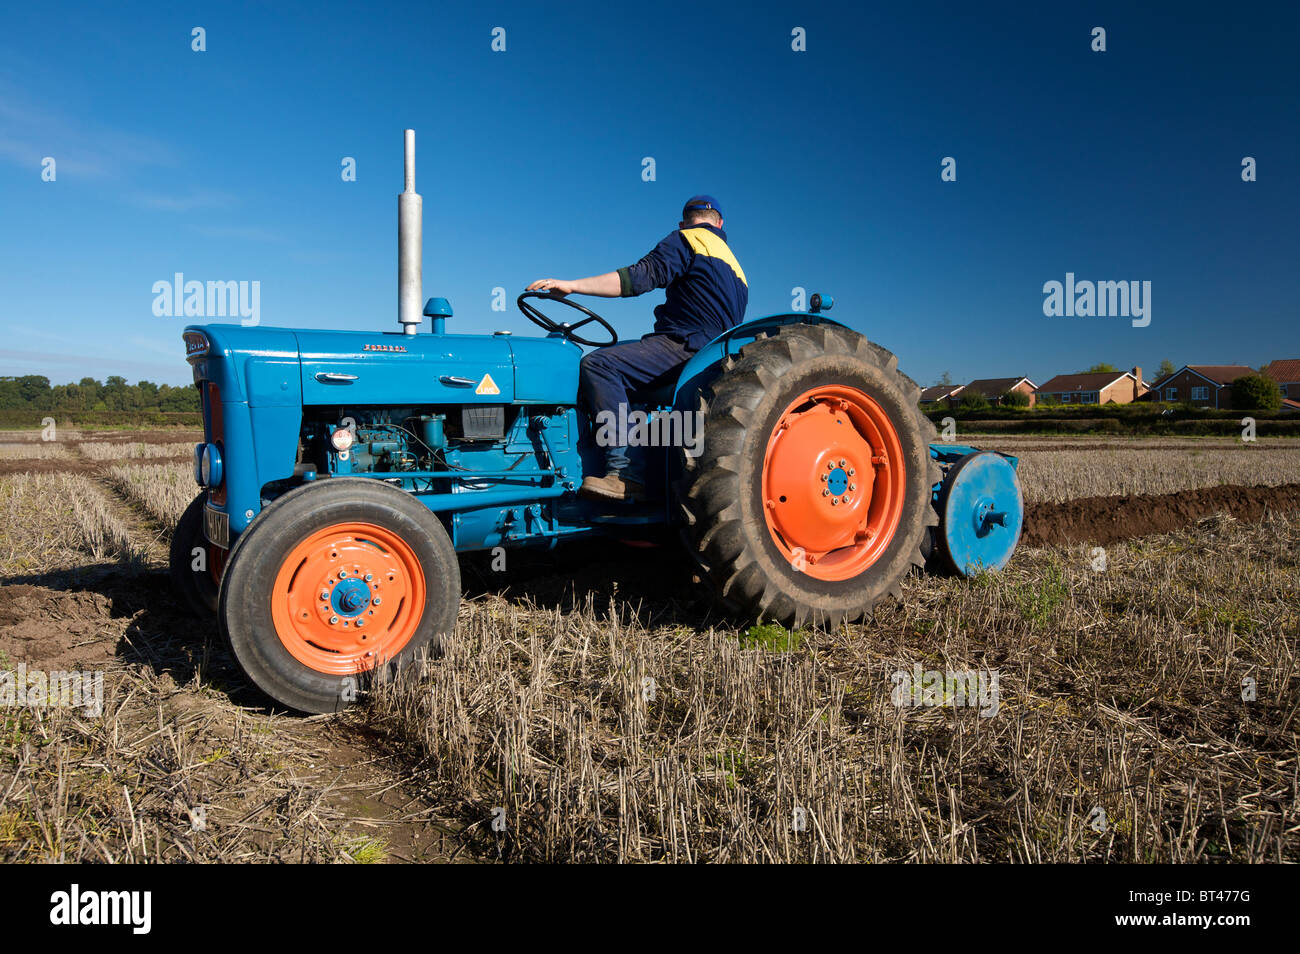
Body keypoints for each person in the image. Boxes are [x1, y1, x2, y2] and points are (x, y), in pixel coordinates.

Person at [527, 196, 748, 501]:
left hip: (685, 346)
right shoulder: (737, 269)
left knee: (599, 365)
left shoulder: (688, 239)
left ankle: (626, 472)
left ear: (683, 222)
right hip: (711, 356)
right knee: (623, 354)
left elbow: (636, 279)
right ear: (721, 224)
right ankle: (637, 458)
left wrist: (572, 285)